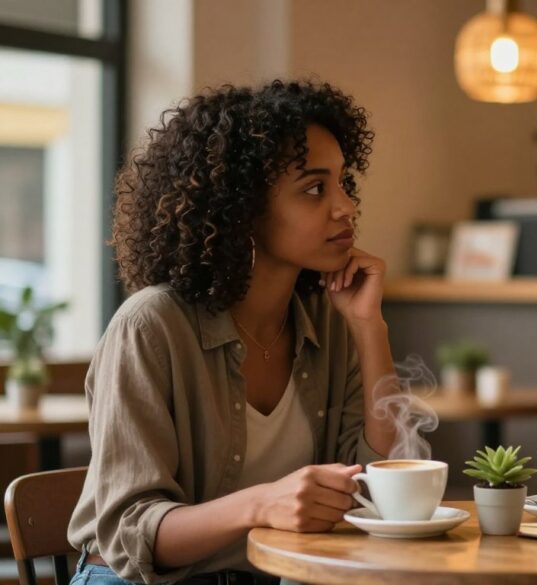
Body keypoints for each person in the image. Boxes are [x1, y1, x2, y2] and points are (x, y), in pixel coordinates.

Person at [68, 80, 398, 585]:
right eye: (314, 188)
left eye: (342, 183)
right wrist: (262, 503)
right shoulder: (150, 326)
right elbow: (129, 533)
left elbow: (382, 488)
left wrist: (369, 328)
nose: (345, 207)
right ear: (241, 208)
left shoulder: (332, 320)